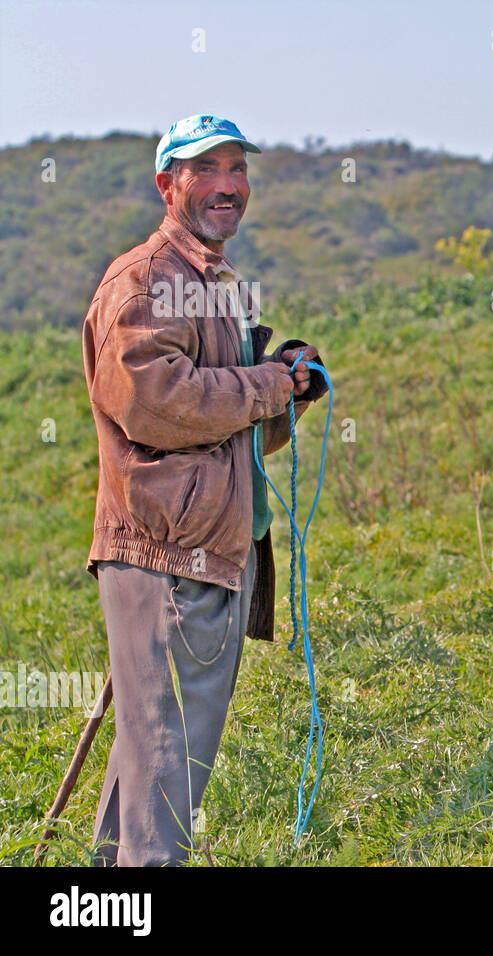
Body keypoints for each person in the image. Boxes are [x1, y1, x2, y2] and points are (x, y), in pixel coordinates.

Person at [80, 114, 327, 865]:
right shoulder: (146, 281)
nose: (228, 185)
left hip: (206, 549)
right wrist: (263, 383)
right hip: (167, 556)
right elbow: (154, 403)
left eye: (237, 169)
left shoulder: (216, 286)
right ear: (168, 184)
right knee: (167, 766)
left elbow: (227, 431)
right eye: (205, 169)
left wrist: (289, 389)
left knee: (152, 761)